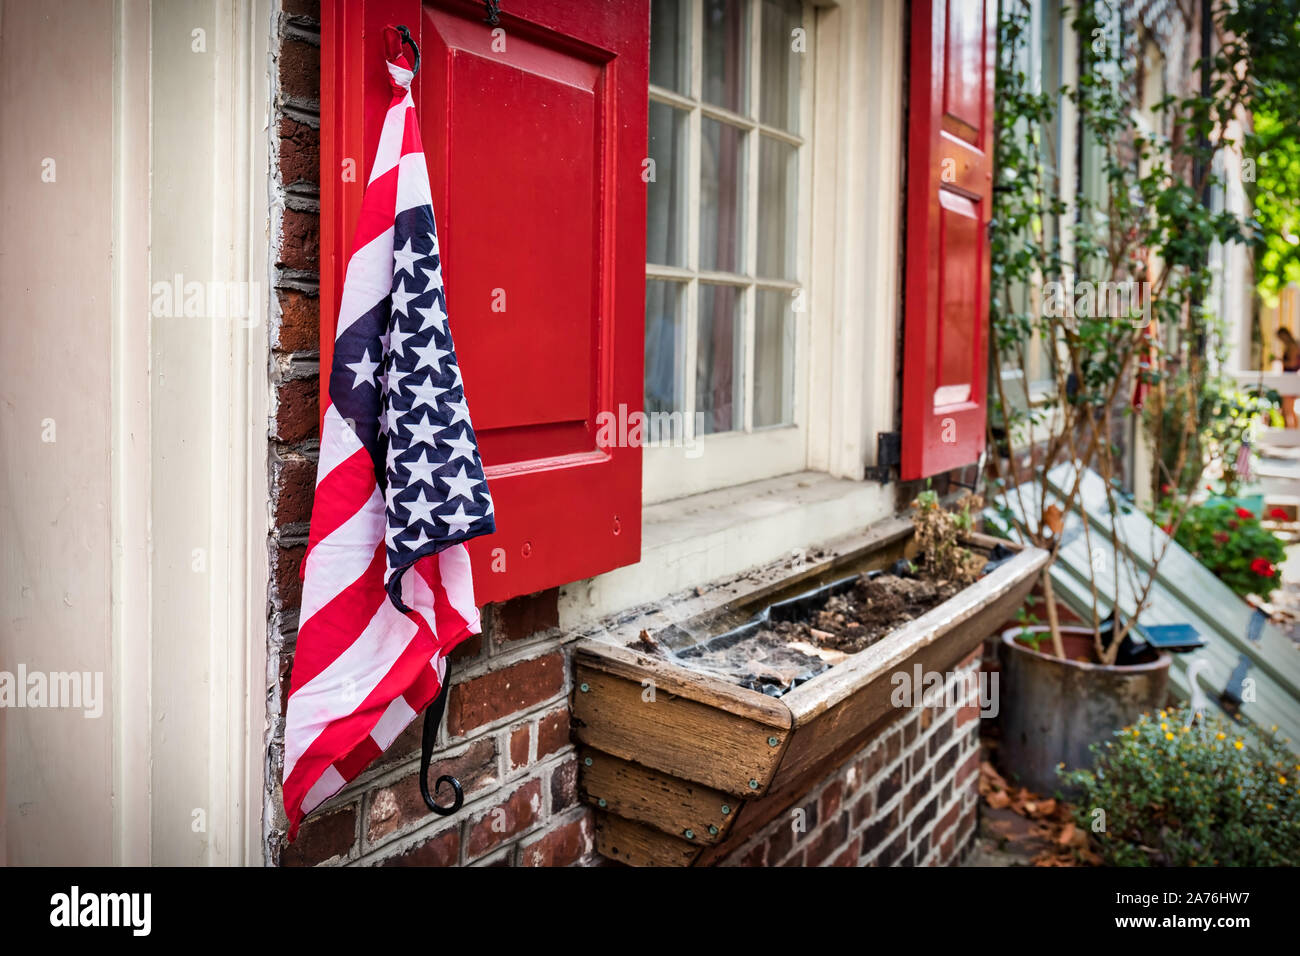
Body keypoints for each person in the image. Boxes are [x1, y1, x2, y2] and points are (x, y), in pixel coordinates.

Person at [1278, 325, 1300, 428]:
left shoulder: (1292, 346)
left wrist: (1278, 360)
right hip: (1288, 378)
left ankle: (1291, 435)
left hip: (1290, 378)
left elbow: (1292, 364)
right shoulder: (1292, 345)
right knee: (1287, 410)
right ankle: (1292, 433)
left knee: (1287, 410)